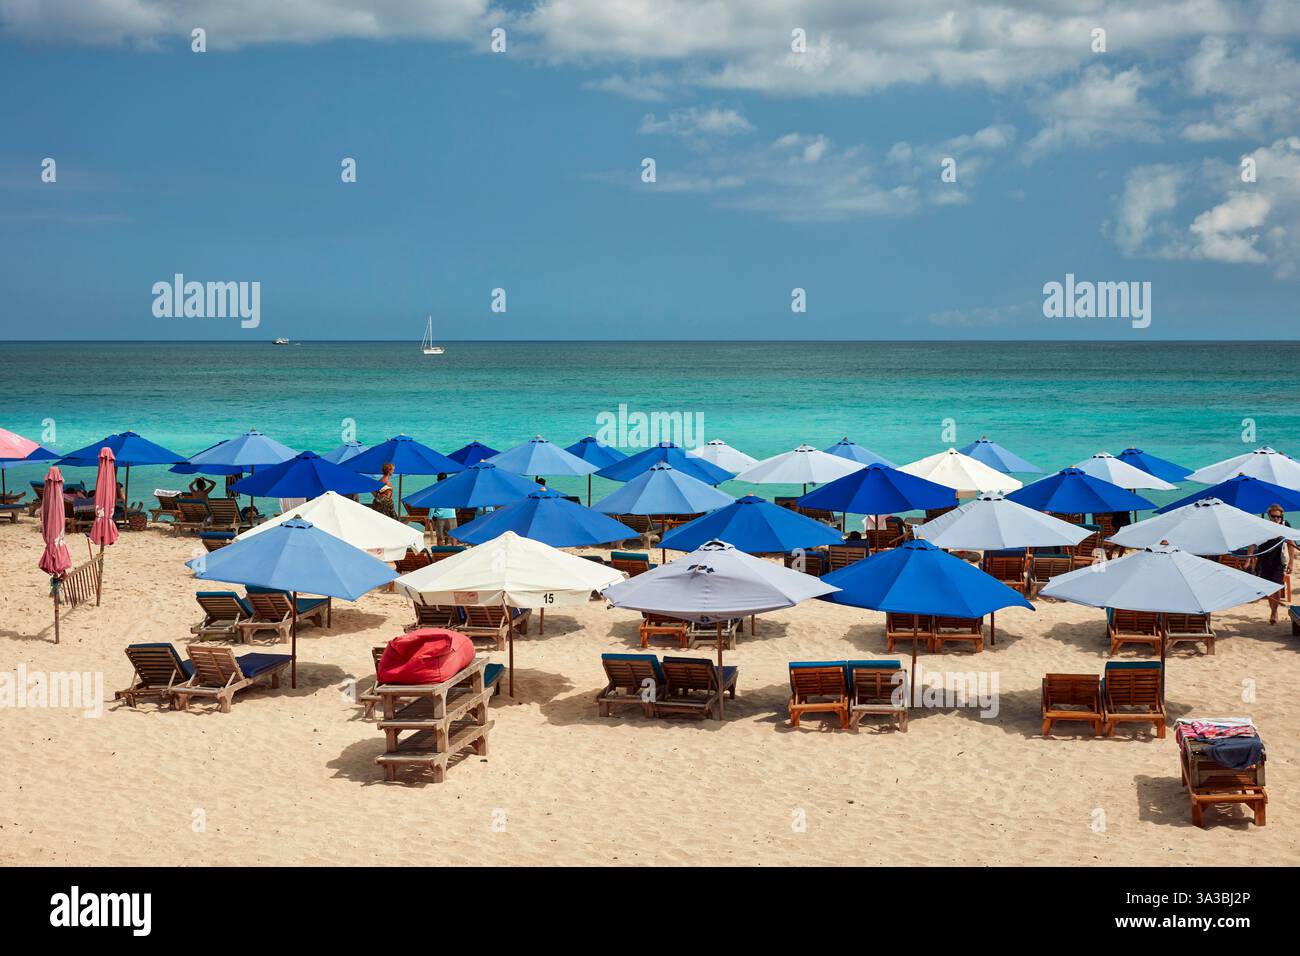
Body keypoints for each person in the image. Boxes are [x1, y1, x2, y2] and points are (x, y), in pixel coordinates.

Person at [1253, 504, 1292, 624]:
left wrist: (1291, 563)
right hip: (1263, 561)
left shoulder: (1285, 526)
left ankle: (1274, 613)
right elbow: (1253, 542)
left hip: (1278, 561)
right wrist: (1250, 559)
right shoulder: (1263, 526)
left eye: (1278, 517)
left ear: (1281, 516)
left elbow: (1291, 544)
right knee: (1269, 589)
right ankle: (1273, 610)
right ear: (1269, 516)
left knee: (1277, 587)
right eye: (1274, 516)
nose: (1276, 519)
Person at [430, 473, 457, 545]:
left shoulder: (435, 490)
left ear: (437, 480)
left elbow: (432, 504)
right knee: (453, 536)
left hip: (439, 517)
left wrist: (430, 516)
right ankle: (454, 553)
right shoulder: (452, 489)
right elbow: (456, 501)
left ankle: (440, 554)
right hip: (451, 515)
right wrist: (456, 511)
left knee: (440, 537)